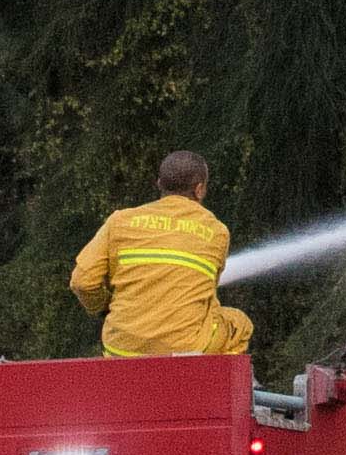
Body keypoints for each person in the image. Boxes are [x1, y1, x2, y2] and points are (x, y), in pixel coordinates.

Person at [71, 151, 253, 358]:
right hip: (183, 350)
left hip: (121, 349)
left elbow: (82, 282)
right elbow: (207, 295)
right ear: (200, 189)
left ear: (160, 183)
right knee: (240, 325)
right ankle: (218, 387)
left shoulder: (119, 221)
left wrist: (104, 307)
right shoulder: (217, 231)